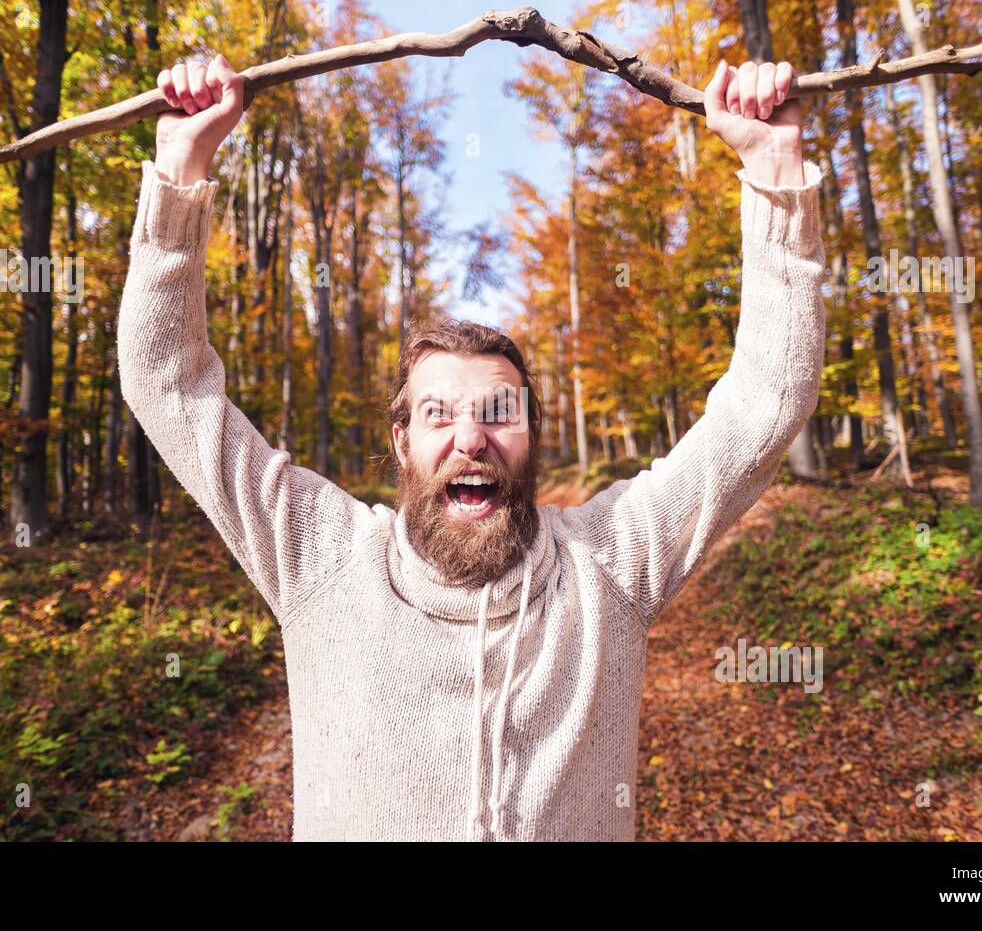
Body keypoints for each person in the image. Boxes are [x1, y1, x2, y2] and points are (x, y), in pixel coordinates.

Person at [117, 52, 826, 840]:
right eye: (439, 413)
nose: (470, 437)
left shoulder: (610, 564)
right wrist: (182, 164)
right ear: (402, 440)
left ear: (531, 436)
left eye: (498, 411)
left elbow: (769, 399)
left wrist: (773, 168)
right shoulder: (316, 557)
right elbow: (167, 383)